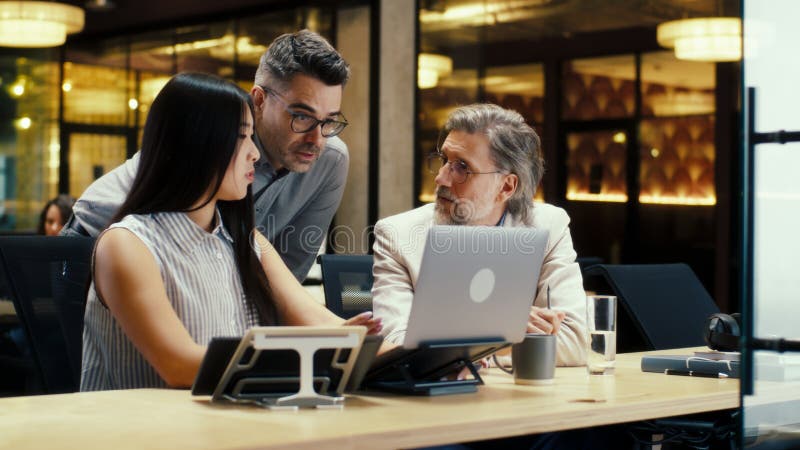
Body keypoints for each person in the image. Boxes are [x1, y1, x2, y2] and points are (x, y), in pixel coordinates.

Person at [80, 73, 380, 391]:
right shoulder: (126, 244)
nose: (254, 153)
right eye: (242, 137)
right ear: (195, 144)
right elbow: (180, 365)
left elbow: (316, 319)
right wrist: (307, 354)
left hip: (228, 427)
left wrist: (366, 339)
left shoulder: (245, 240)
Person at [62, 29, 350, 282]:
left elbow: (288, 270)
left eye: (329, 121)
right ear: (260, 100)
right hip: (94, 241)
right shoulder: (215, 133)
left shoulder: (331, 160)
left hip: (188, 269)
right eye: (302, 117)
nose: (316, 139)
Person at [371, 103, 586, 366]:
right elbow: (398, 345)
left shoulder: (548, 226)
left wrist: (470, 345)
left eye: (462, 167)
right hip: (436, 403)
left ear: (506, 186)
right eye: (444, 161)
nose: (441, 178)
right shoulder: (397, 235)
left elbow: (575, 341)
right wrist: (503, 328)